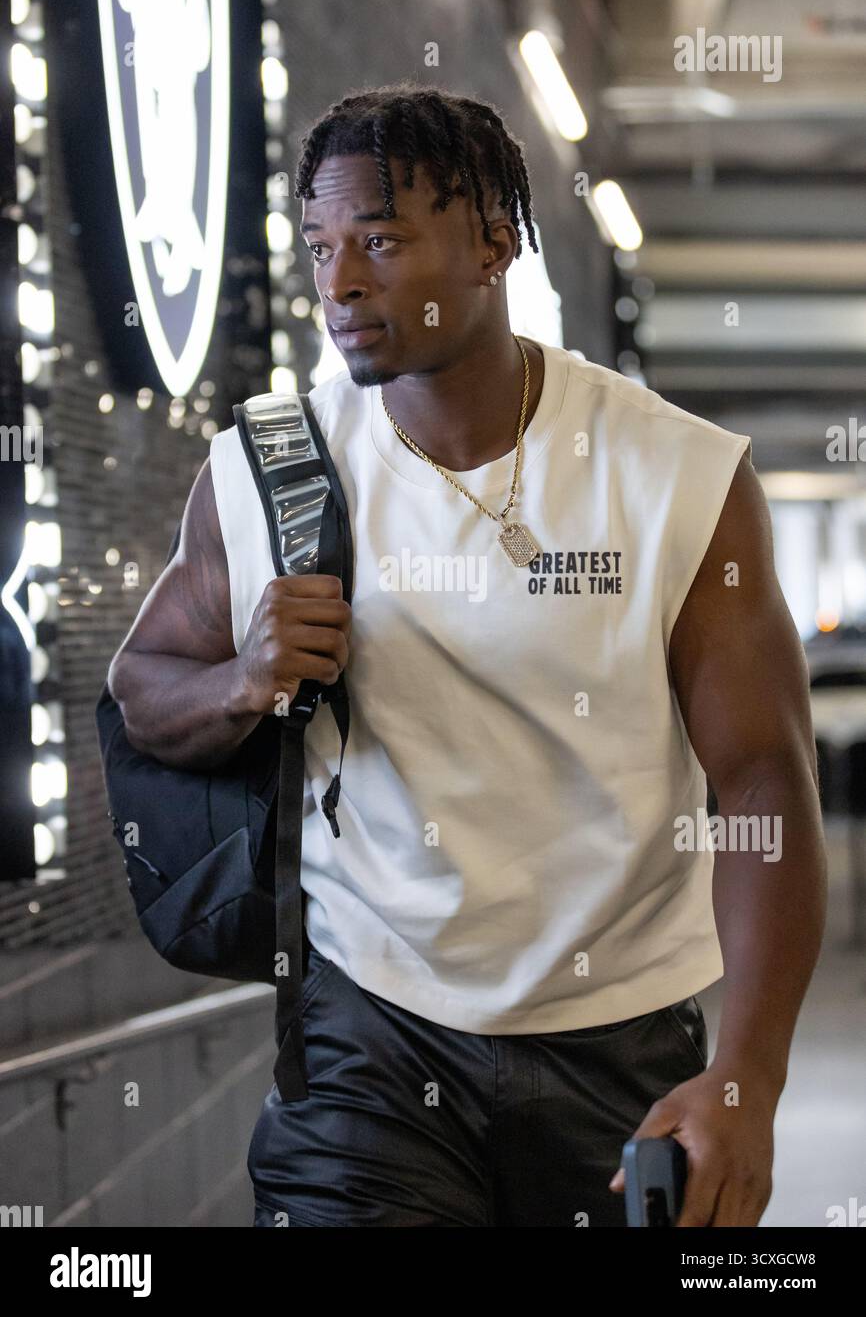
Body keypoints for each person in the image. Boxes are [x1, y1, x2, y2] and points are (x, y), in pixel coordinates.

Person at [108, 83, 827, 1228]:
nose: (338, 283)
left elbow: (761, 779)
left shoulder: (670, 475)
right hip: (367, 1030)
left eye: (381, 242)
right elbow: (141, 693)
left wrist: (746, 1077)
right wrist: (245, 680)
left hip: (615, 1031)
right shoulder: (264, 469)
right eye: (319, 247)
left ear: (493, 244)